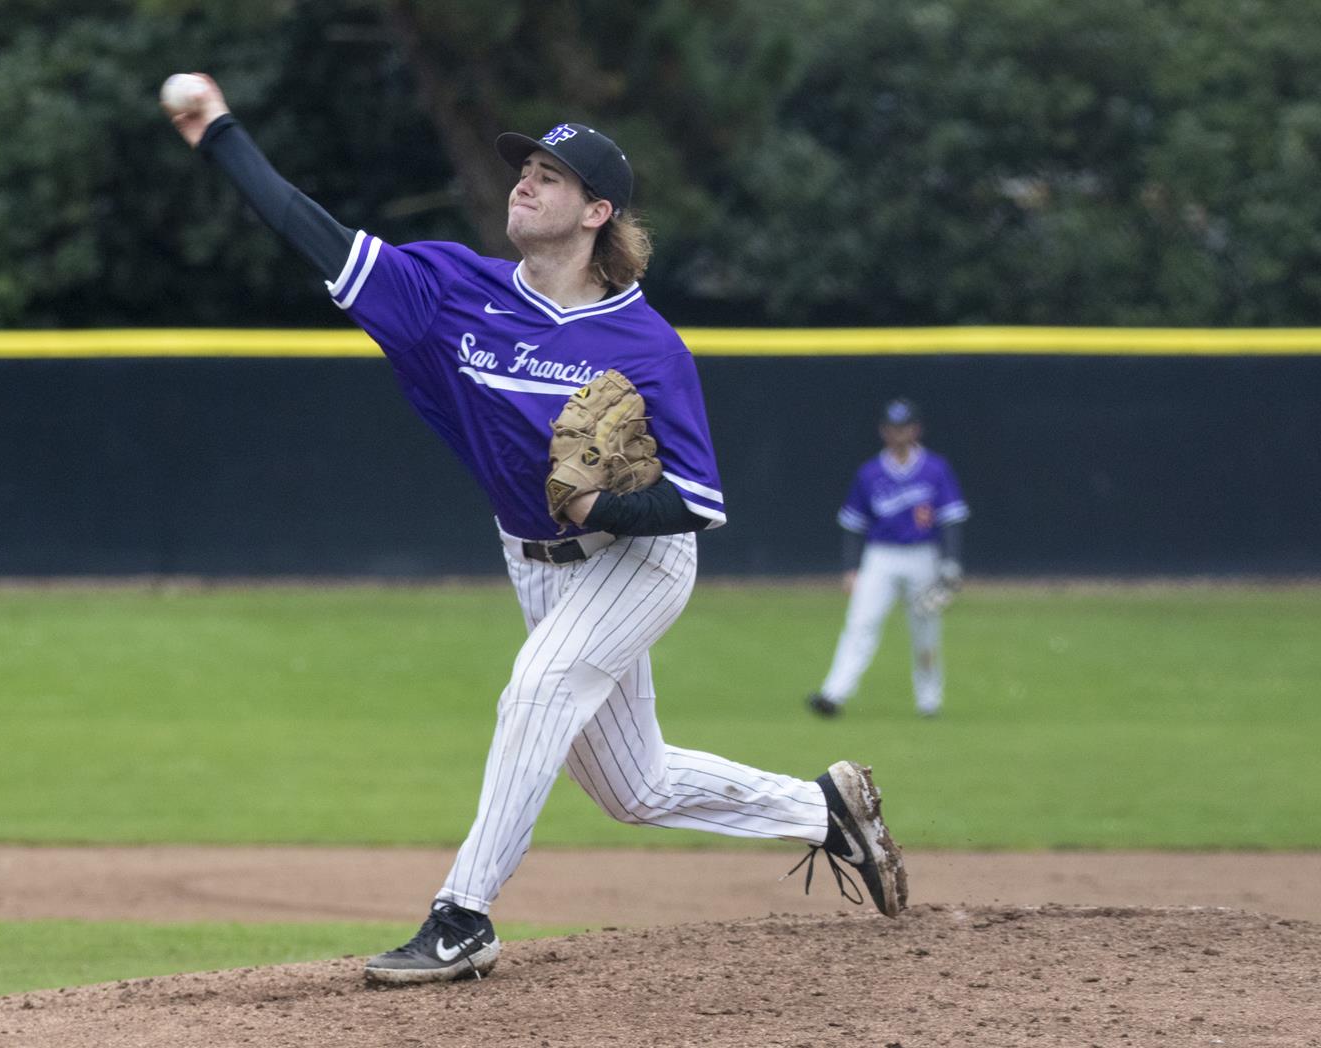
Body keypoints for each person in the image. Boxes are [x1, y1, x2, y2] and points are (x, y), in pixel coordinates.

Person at [164, 77, 907, 985]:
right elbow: (306, 227)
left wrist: (605, 508)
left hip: (638, 560)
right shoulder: (447, 290)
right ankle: (825, 808)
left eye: (551, 176)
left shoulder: (646, 345)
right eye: (525, 168)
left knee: (540, 685)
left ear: (597, 212)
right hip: (536, 565)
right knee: (632, 789)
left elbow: (700, 501)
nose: (525, 183)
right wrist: (221, 133)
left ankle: (461, 915)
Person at [807, 398, 970, 718]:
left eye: (905, 426)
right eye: (894, 427)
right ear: (884, 431)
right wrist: (851, 567)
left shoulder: (935, 469)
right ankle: (833, 695)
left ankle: (929, 702)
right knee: (860, 623)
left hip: (923, 555)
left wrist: (951, 561)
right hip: (880, 556)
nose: (900, 433)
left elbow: (951, 518)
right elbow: (854, 524)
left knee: (926, 628)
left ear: (917, 429)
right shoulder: (870, 473)